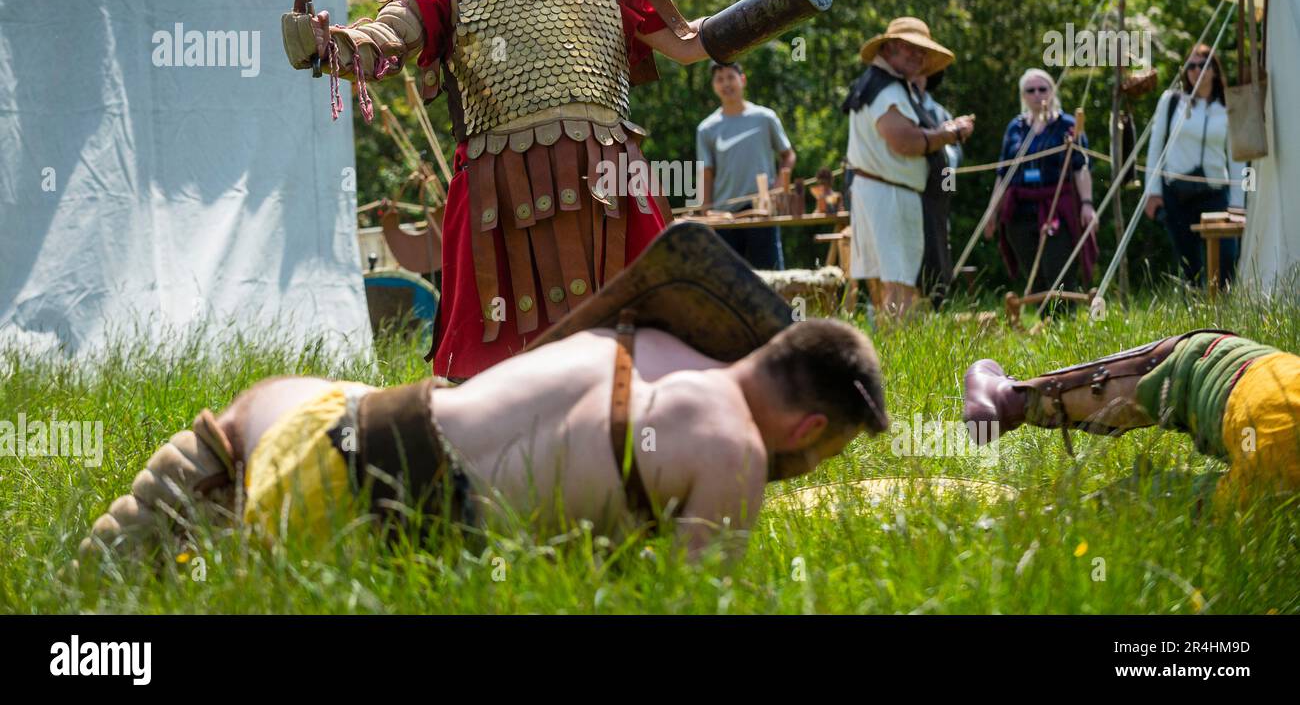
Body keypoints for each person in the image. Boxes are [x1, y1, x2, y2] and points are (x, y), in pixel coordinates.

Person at [281, 0, 852, 380]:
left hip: (607, 171)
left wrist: (785, 2)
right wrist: (337, 44)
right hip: (501, 184)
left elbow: (687, 43)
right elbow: (391, 33)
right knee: (499, 362)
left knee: (648, 340)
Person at [82, 316, 888, 562]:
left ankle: (201, 483)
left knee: (286, 410)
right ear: (811, 428)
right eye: (829, 453)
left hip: (340, 423)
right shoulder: (739, 452)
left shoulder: (638, 341)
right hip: (391, 512)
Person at [965, 329, 1300, 507]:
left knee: (1184, 363)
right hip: (1271, 458)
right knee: (1204, 500)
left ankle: (1012, 401)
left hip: (1265, 398)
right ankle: (1087, 508)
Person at [842, 17, 973, 317]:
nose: (918, 56)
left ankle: (894, 348)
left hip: (882, 190)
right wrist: (950, 133)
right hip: (889, 194)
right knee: (899, 282)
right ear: (888, 49)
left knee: (892, 282)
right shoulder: (886, 89)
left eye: (922, 51)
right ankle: (898, 351)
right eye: (909, 48)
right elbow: (904, 141)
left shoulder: (881, 84)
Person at [984, 68, 1097, 294]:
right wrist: (991, 212)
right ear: (1023, 96)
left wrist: (1087, 204)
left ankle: (1063, 320)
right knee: (1034, 275)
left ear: (1053, 92)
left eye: (1042, 89)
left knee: (1058, 270)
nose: (1037, 94)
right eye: (1030, 90)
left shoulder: (1068, 125)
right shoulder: (1015, 127)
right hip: (1020, 209)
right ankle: (1043, 323)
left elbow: (1080, 166)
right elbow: (1003, 174)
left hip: (1057, 207)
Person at [1142, 44, 1246, 285]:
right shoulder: (1171, 102)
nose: (1196, 70)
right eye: (1191, 65)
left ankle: (1223, 312)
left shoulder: (1229, 108)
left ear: (1215, 70)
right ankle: (1197, 315)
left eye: (1203, 65)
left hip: (1215, 194)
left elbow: (1239, 160)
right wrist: (1153, 192)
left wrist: (1238, 205)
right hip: (1176, 194)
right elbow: (1155, 148)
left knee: (1226, 258)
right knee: (1191, 265)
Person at [696, 62, 796, 269]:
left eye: (730, 77)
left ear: (742, 79)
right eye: (719, 79)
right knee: (727, 281)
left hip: (762, 212)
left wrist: (777, 190)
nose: (726, 84)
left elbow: (788, 156)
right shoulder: (706, 128)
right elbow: (706, 173)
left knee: (771, 278)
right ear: (714, 86)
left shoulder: (765, 118)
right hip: (724, 215)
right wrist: (706, 213)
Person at [914, 69, 960, 306]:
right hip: (909, 190)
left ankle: (936, 303)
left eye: (922, 74)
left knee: (937, 245)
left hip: (935, 192)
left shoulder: (940, 112)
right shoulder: (899, 105)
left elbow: (952, 158)